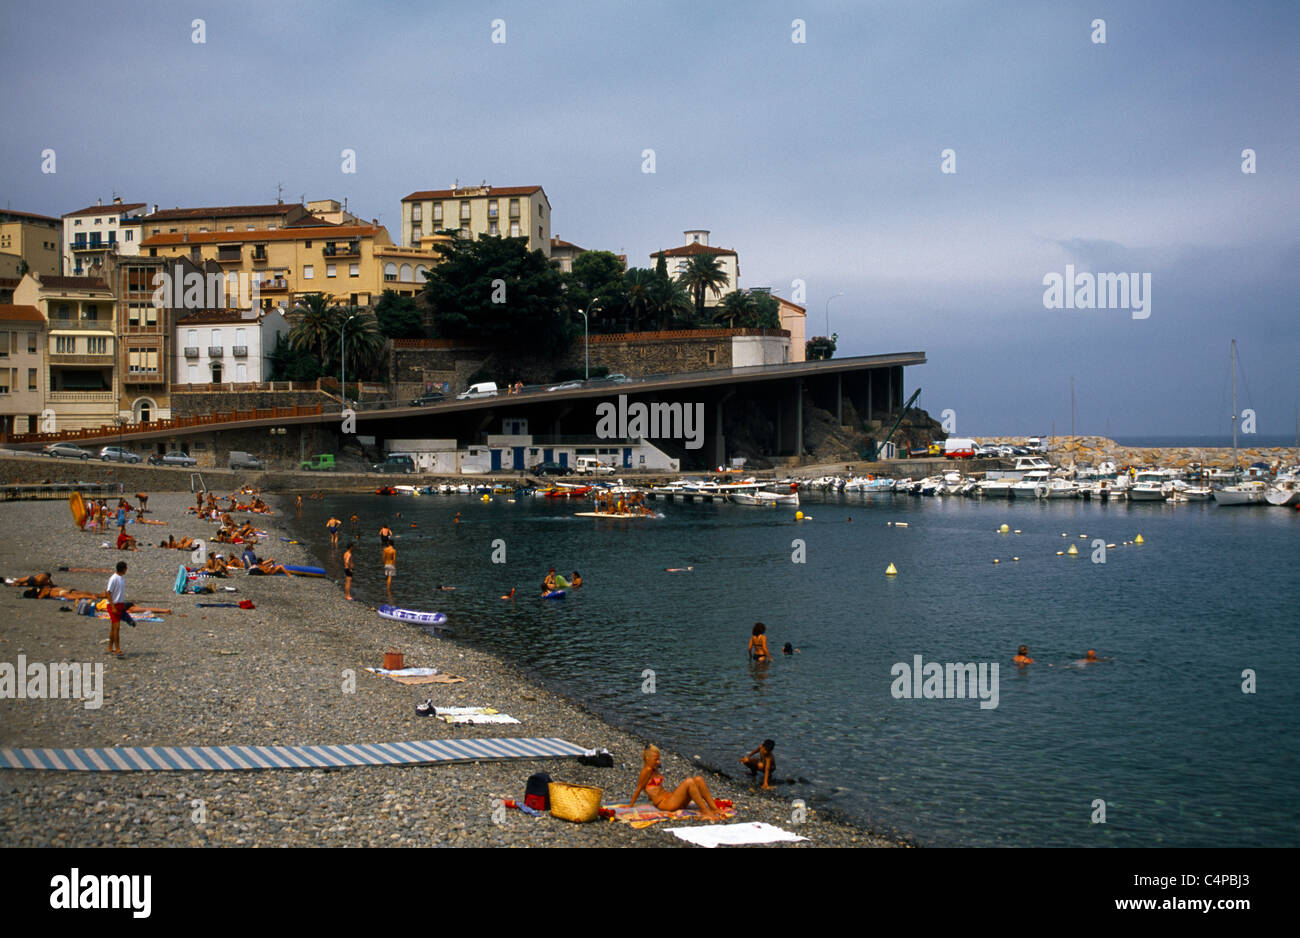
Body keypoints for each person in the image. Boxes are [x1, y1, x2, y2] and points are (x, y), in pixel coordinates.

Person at [629, 745, 724, 820]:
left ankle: (714, 808)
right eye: (655, 759)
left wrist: (650, 796)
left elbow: (652, 788)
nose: (658, 762)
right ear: (647, 759)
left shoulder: (654, 769)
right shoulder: (647, 770)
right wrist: (630, 806)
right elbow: (639, 788)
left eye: (659, 759)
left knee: (699, 779)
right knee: (689, 781)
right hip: (665, 804)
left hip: (671, 799)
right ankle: (705, 811)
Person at [100, 561, 132, 656]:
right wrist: (113, 606)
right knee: (117, 627)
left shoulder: (122, 578)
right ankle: (117, 648)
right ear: (123, 569)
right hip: (114, 605)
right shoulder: (114, 578)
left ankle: (110, 647)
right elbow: (108, 592)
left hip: (120, 605)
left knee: (113, 627)